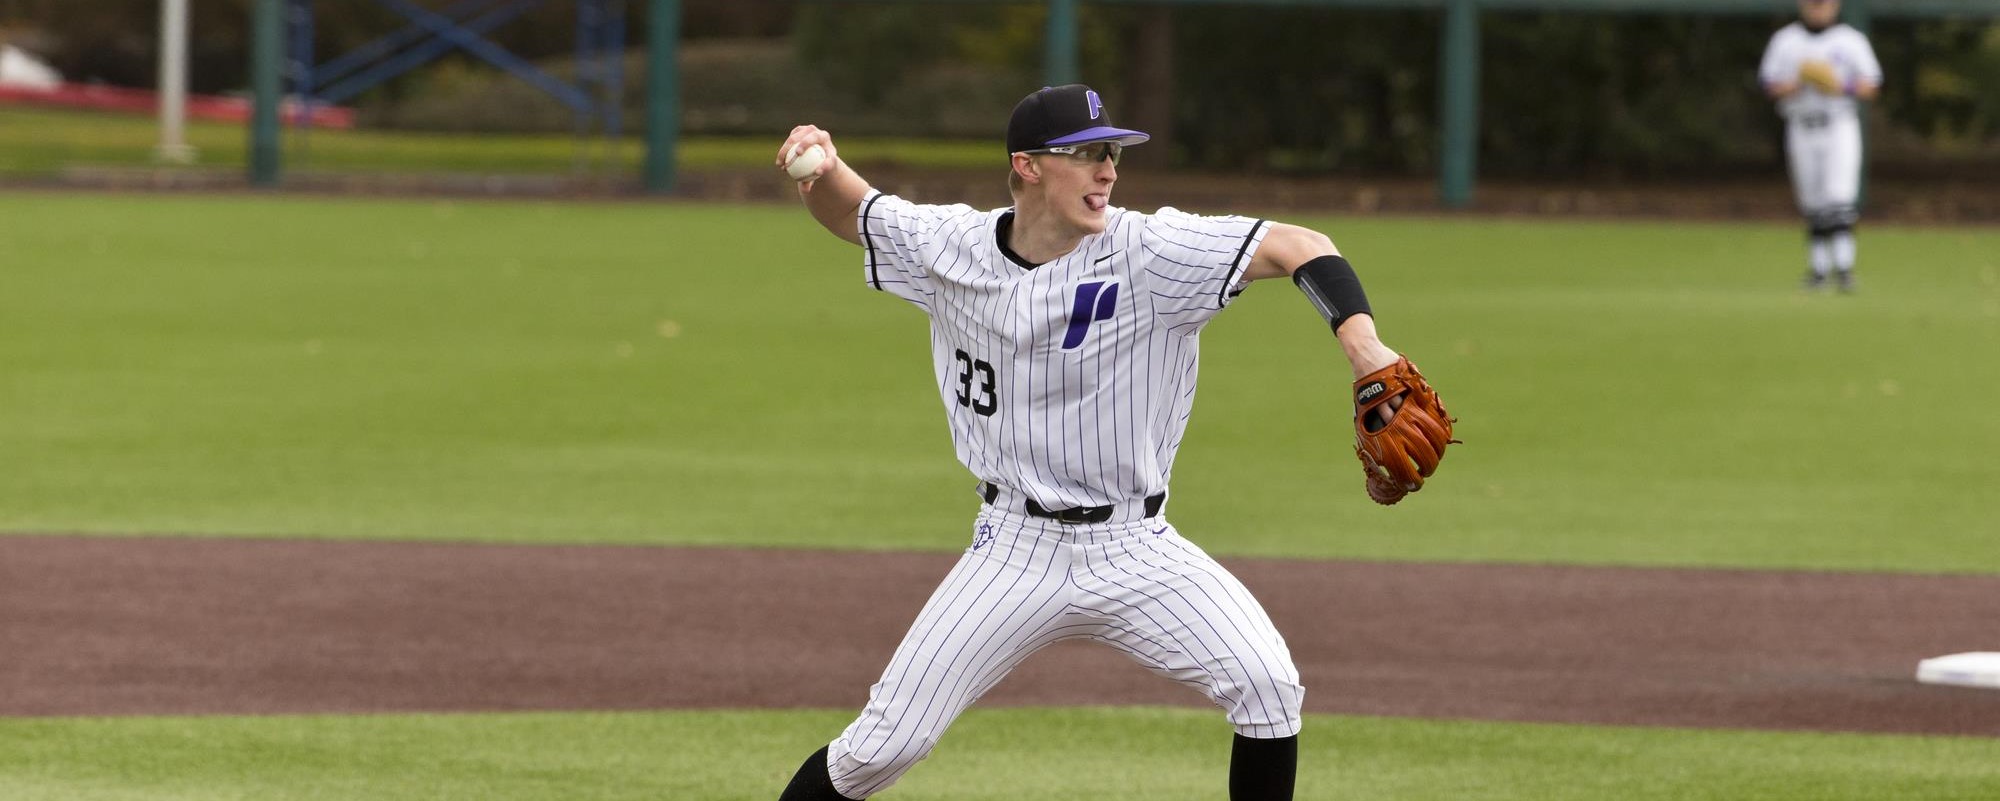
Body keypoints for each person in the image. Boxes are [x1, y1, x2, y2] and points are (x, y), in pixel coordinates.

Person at [769, 84, 1418, 801]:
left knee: (1267, 686)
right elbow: (855, 213)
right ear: (1028, 167)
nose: (1108, 170)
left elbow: (1302, 246)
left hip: (1138, 548)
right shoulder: (949, 245)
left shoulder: (1151, 250)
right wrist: (823, 170)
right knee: (880, 747)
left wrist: (1362, 345)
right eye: (1085, 154)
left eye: (1112, 153)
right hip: (1012, 550)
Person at [1758, 0, 1882, 293]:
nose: (1817, 8)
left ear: (1835, 5)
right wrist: (1798, 83)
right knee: (1812, 201)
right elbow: (1768, 84)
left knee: (1839, 196)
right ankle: (1818, 269)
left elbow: (1872, 84)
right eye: (1812, 4)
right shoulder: (1786, 40)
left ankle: (1844, 267)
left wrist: (1840, 86)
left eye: (1823, 3)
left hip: (1839, 124)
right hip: (1801, 125)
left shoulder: (1850, 40)